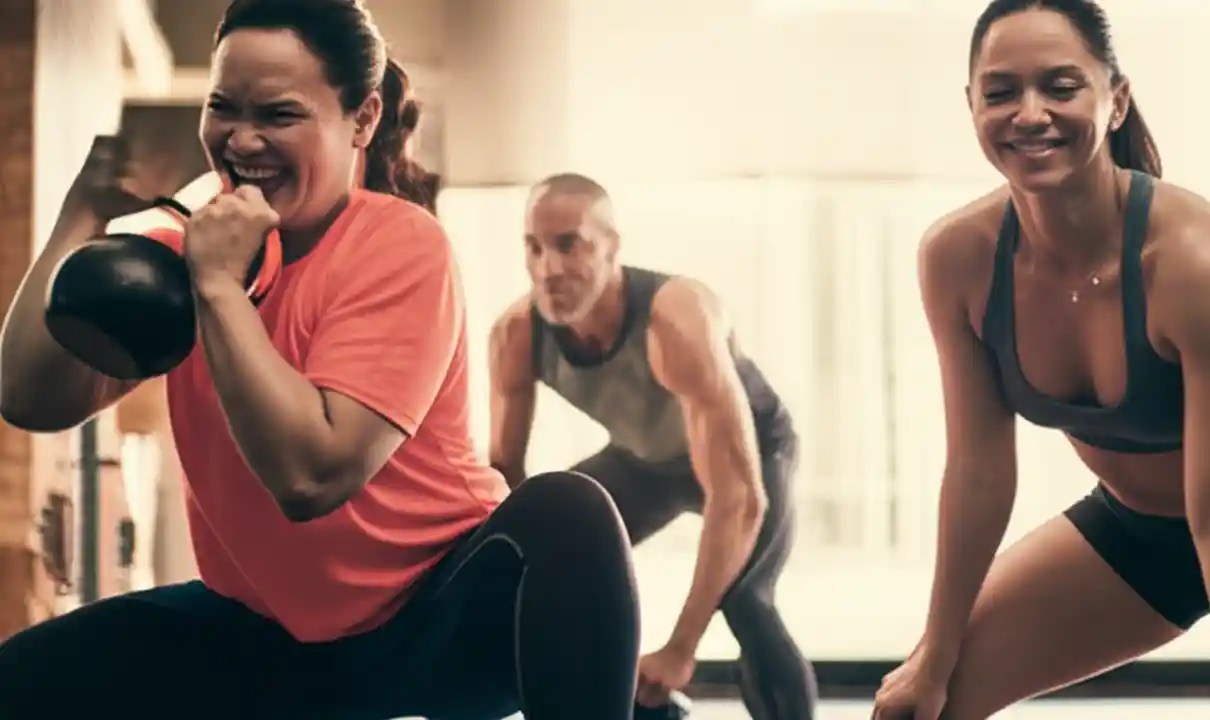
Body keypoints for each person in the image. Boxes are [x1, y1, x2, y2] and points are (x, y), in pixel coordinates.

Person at [0, 2, 641, 719]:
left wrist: (219, 289)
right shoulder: (187, 260)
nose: (242, 139)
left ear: (362, 119)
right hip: (268, 639)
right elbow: (30, 397)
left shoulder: (399, 246)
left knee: (571, 512)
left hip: (434, 620)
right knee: (21, 680)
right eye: (223, 107)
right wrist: (78, 219)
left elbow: (313, 476)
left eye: (278, 114)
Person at [871, 1, 1210, 719]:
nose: (1030, 114)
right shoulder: (959, 258)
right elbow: (977, 472)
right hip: (1140, 529)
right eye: (1001, 92)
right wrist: (932, 660)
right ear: (972, 106)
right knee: (921, 708)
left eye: (1061, 87)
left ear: (1115, 101)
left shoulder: (1193, 259)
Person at [488, 172, 820, 720]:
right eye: (534, 247)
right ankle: (647, 713)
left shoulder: (675, 319)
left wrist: (680, 649)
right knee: (560, 545)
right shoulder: (516, 335)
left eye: (569, 244)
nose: (549, 268)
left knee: (746, 598)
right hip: (646, 461)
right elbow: (504, 479)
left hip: (752, 456)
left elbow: (738, 499)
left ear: (611, 245)